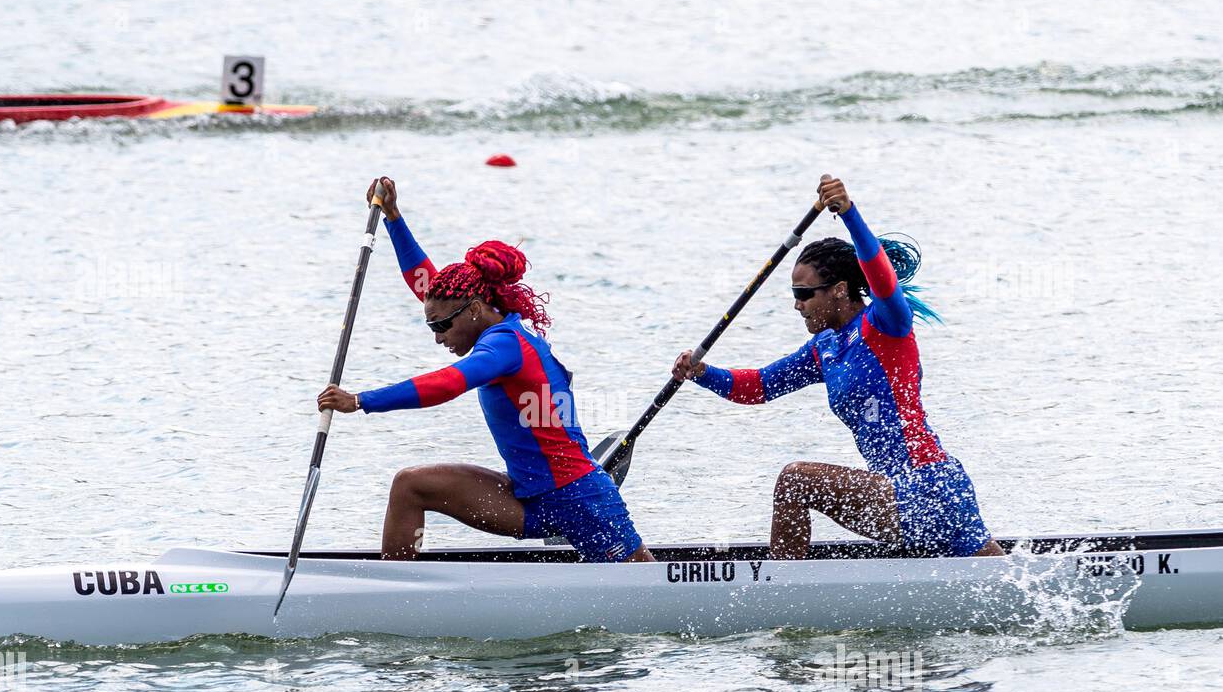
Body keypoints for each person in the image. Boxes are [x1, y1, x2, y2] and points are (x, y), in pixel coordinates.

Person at [317, 178, 653, 563]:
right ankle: (399, 593)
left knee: (650, 589)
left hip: (579, 498)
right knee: (410, 485)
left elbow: (447, 383)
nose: (438, 337)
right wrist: (394, 217)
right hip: (528, 496)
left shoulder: (506, 345)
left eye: (442, 326)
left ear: (475, 308)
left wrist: (360, 400)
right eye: (432, 327)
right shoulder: (475, 316)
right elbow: (430, 288)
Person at [673, 174, 1004, 560]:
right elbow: (761, 386)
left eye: (804, 294)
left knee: (795, 481)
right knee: (1005, 587)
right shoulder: (824, 348)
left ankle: (781, 594)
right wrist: (701, 373)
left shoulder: (887, 325)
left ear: (840, 289)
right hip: (920, 492)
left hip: (924, 486)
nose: (798, 305)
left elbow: (882, 279)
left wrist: (849, 213)